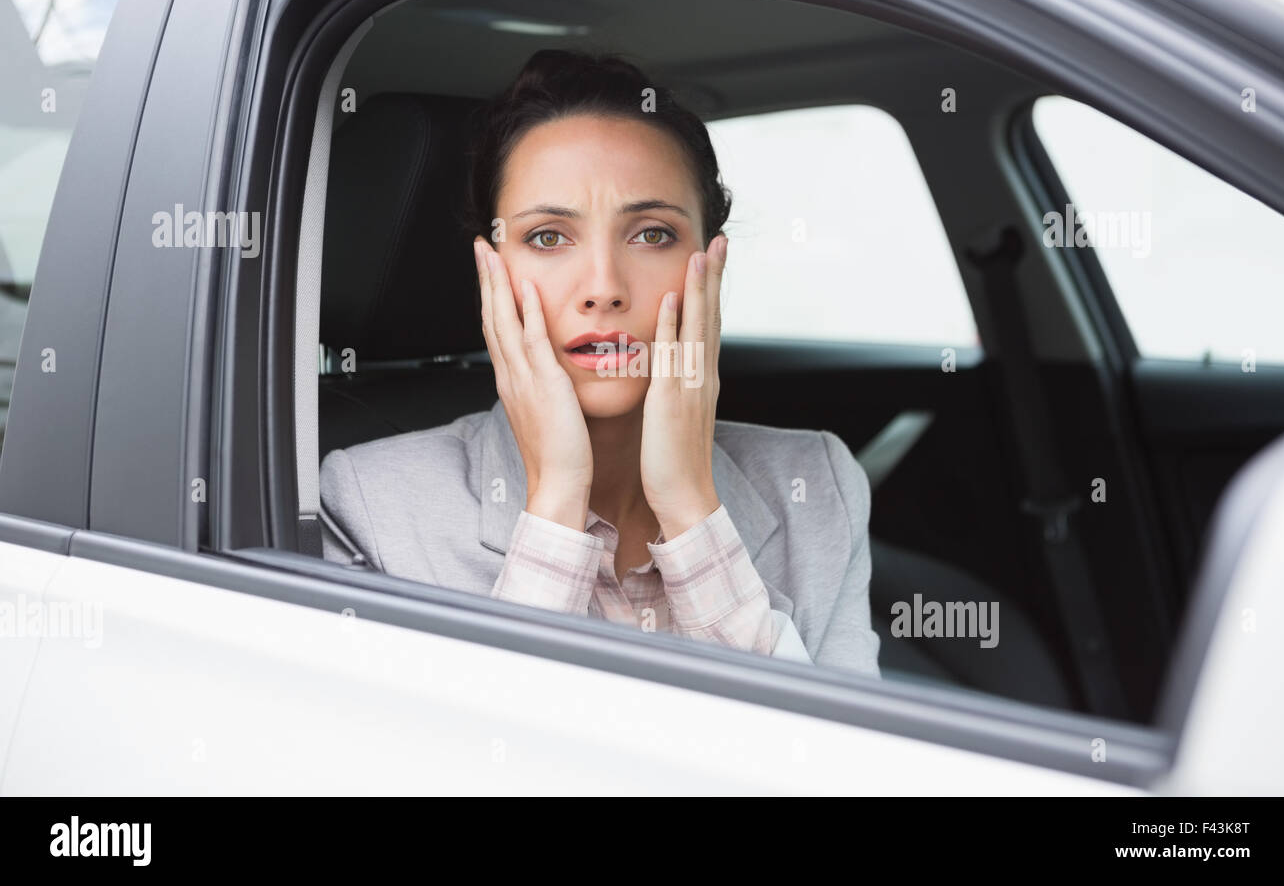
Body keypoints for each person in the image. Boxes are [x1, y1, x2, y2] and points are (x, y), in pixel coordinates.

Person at [319, 49, 882, 677]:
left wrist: (693, 510)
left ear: (713, 263)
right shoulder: (370, 506)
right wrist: (556, 502)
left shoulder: (818, 486)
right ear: (491, 273)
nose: (604, 287)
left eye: (651, 234)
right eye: (548, 237)